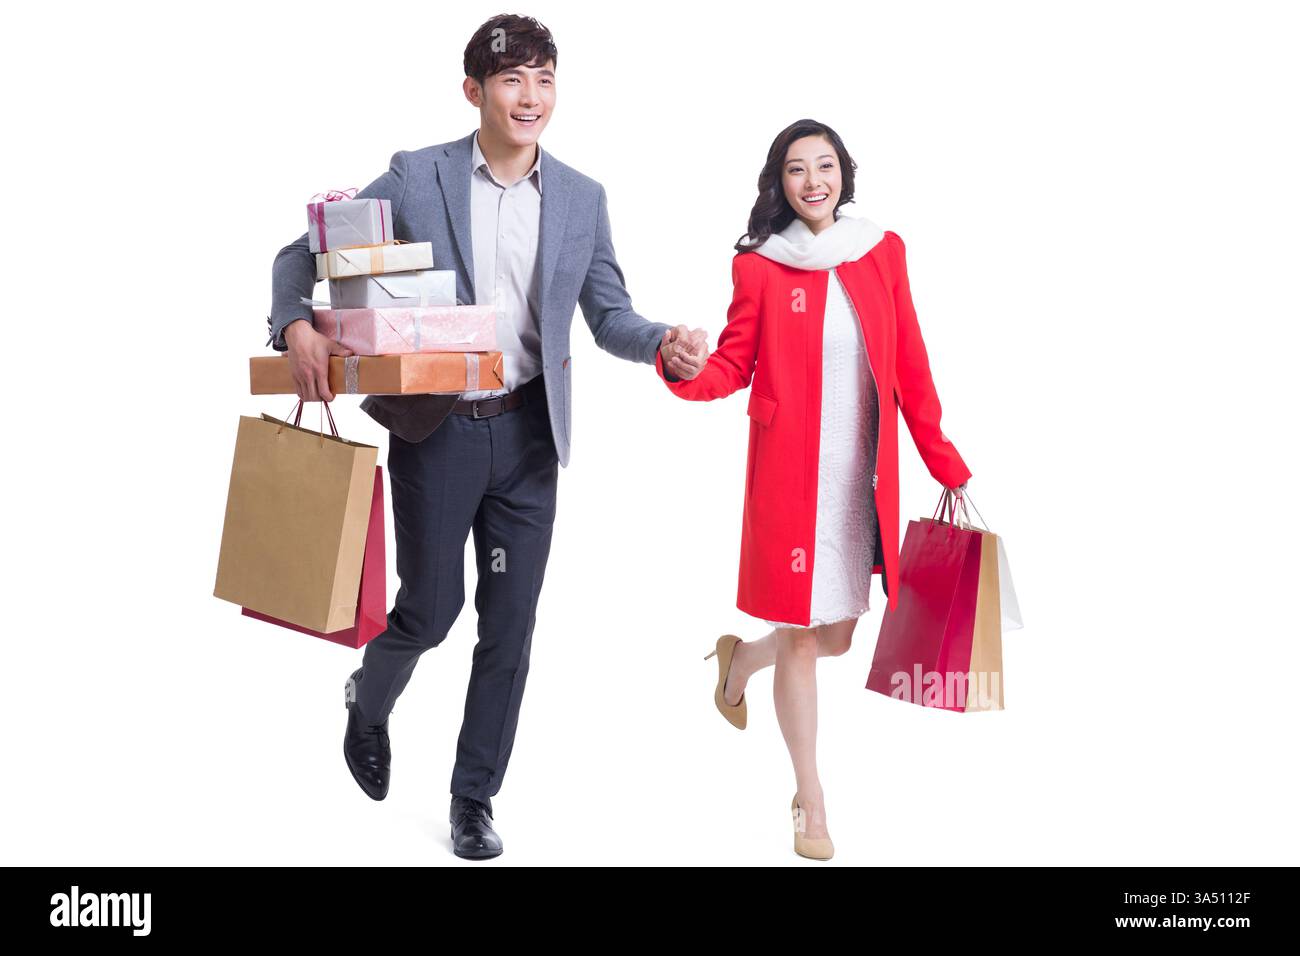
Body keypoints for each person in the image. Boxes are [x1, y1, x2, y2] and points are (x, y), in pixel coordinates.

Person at [268, 14, 708, 860]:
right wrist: (295, 326)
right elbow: (301, 256)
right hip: (441, 433)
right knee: (430, 613)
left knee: (510, 627)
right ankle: (369, 698)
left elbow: (607, 313)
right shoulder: (417, 176)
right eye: (512, 80)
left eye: (544, 79)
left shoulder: (582, 197)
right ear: (474, 91)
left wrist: (659, 341)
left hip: (531, 438)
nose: (530, 96)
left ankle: (473, 798)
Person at [654, 119, 972, 860]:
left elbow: (912, 365)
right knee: (803, 637)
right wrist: (680, 365)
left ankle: (739, 661)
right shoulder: (761, 268)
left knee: (836, 634)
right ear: (780, 184)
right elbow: (731, 369)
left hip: (862, 481)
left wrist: (942, 455)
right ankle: (812, 798)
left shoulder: (880, 251)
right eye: (796, 170)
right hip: (790, 480)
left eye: (824, 166)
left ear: (843, 175)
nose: (813, 182)